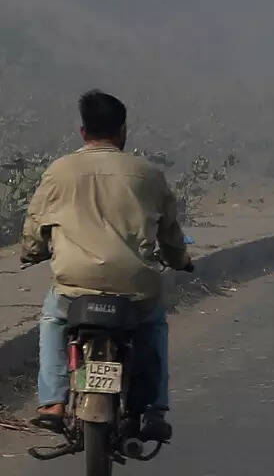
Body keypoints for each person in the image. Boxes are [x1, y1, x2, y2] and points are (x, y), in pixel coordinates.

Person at [20, 90, 192, 442]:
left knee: (54, 319)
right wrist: (180, 260)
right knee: (154, 325)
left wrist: (32, 251)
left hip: (74, 286)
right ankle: (154, 409)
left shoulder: (60, 171)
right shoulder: (148, 174)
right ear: (123, 131)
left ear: (83, 132)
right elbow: (171, 234)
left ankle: (53, 402)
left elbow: (36, 223)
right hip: (135, 288)